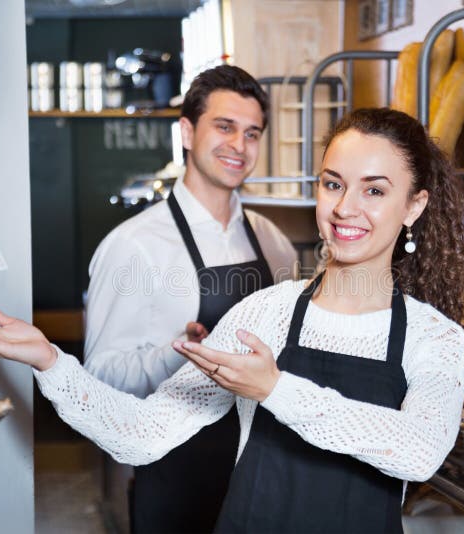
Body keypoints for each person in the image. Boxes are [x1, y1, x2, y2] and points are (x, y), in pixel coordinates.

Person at [0, 108, 464, 534]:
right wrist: (51, 362)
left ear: (414, 206)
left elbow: (418, 452)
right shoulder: (265, 312)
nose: (345, 208)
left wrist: (274, 388)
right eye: (333, 184)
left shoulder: (435, 338)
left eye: (374, 191)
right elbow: (143, 435)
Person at [82, 65, 297, 533]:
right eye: (224, 127)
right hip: (176, 476)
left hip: (260, 472)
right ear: (186, 131)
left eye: (252, 133)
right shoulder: (133, 246)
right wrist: (174, 356)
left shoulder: (273, 241)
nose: (238, 146)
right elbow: (98, 378)